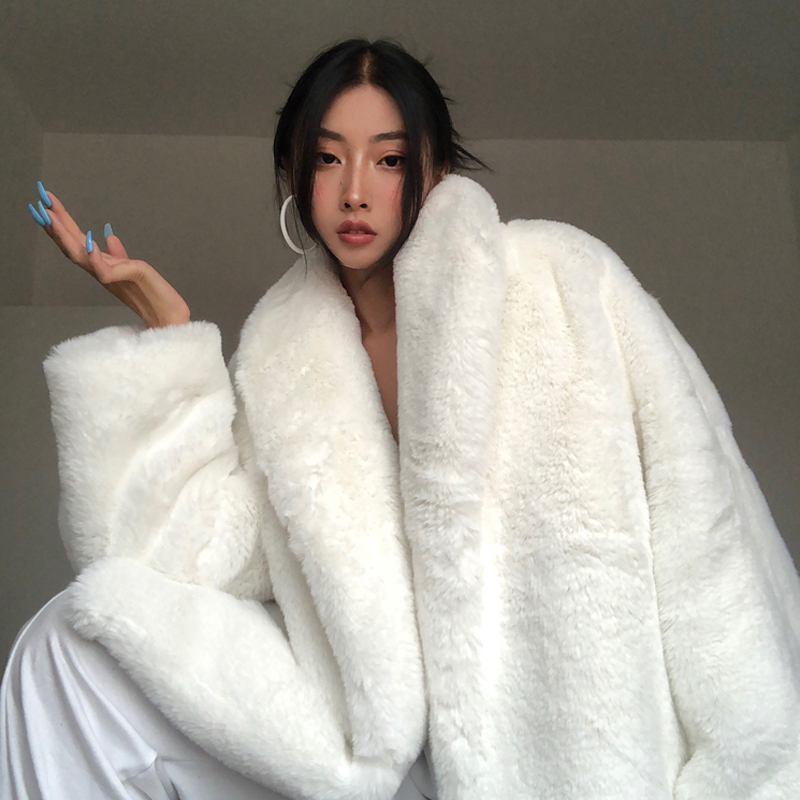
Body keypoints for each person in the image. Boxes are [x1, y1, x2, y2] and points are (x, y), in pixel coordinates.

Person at [3, 37, 800, 800]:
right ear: (295, 172)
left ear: (435, 170)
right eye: (328, 158)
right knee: (66, 649)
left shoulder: (561, 280)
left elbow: (707, 536)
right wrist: (168, 332)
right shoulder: (282, 360)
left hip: (558, 750)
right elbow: (202, 556)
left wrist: (757, 773)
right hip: (381, 749)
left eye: (388, 160)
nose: (355, 189)